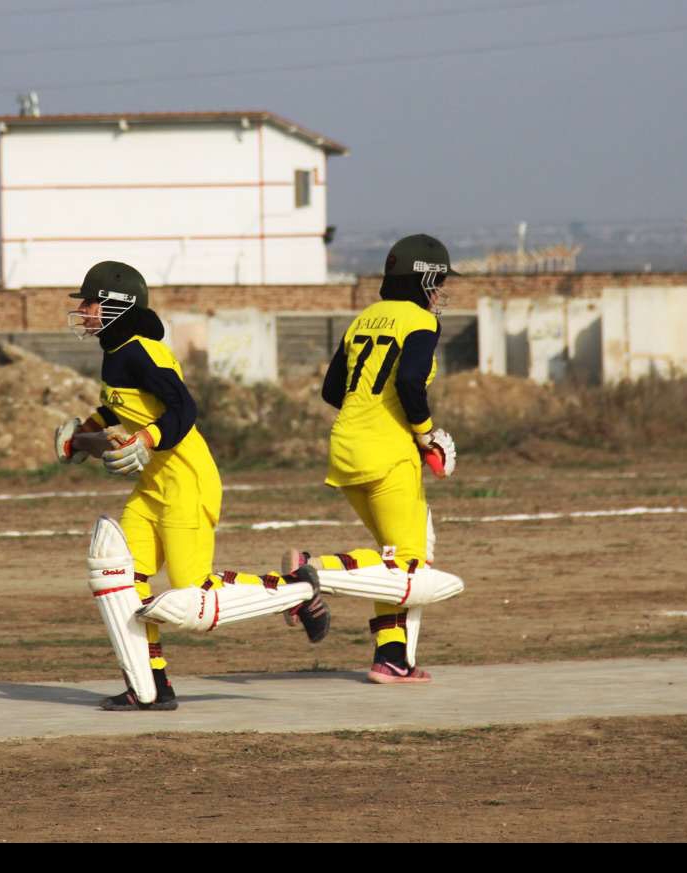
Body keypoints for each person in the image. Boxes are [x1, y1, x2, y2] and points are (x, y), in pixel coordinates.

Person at [56, 261, 330, 711]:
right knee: (127, 583)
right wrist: (84, 433)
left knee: (194, 601)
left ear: (117, 305)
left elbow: (184, 408)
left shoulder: (143, 350)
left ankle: (298, 589)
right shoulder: (115, 351)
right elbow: (119, 407)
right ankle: (151, 686)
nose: (83, 310)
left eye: (90, 302)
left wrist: (146, 439)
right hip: (151, 487)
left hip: (187, 482)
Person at [284, 234, 464, 684]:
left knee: (390, 557)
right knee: (407, 562)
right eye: (438, 279)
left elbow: (332, 390)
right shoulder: (420, 320)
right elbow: (409, 382)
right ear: (423, 278)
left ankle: (390, 656)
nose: (441, 288)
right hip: (388, 454)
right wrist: (425, 436)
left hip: (346, 446)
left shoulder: (363, 319)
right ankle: (310, 570)